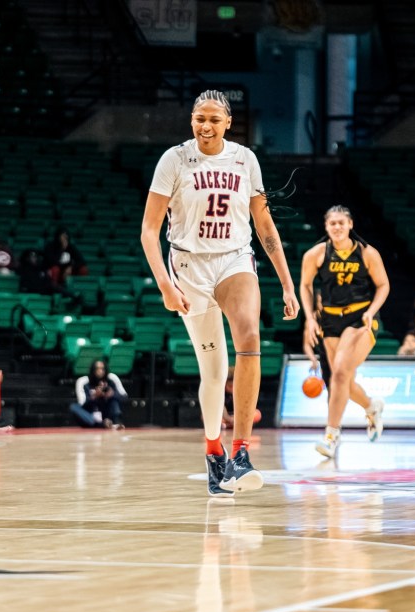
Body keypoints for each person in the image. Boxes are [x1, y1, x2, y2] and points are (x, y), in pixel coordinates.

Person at [140, 89, 299, 497]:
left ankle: (242, 452)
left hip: (233, 258)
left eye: (214, 119)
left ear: (229, 122)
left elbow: (264, 226)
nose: (205, 126)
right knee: (214, 373)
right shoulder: (174, 160)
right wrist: (165, 286)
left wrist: (285, 281)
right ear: (191, 120)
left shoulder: (245, 159)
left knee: (249, 336)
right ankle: (214, 451)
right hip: (189, 266)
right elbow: (148, 231)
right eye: (199, 118)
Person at [300, 206, 389, 458]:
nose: (337, 227)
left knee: (339, 372)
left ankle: (331, 436)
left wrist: (372, 311)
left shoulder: (367, 253)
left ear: (350, 224)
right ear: (326, 227)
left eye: (341, 223)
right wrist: (309, 317)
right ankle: (372, 407)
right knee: (344, 381)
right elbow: (305, 285)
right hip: (329, 319)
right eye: (332, 224)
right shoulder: (316, 254)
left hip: (360, 317)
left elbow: (383, 285)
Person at [70, 359, 127, 429]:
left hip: (107, 413)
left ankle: (116, 422)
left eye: (102, 369)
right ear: (93, 370)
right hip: (91, 415)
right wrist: (94, 396)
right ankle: (102, 424)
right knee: (74, 407)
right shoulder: (83, 381)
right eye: (97, 369)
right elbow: (82, 404)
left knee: (114, 400)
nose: (100, 371)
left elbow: (124, 397)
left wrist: (112, 394)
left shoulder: (112, 378)